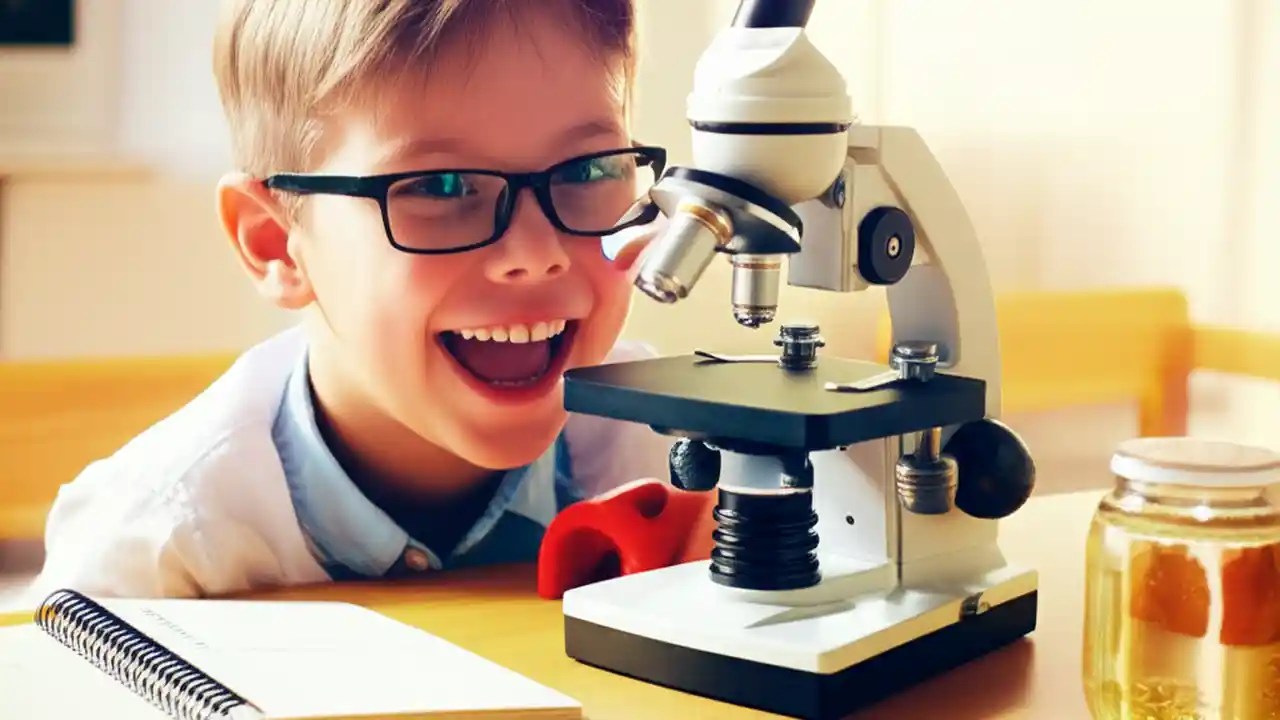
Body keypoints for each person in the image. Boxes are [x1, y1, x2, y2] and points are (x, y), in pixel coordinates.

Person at [29, 0, 703, 600]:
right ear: (276, 244)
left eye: (588, 171)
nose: (535, 253)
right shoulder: (154, 554)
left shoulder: (674, 461)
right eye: (440, 187)